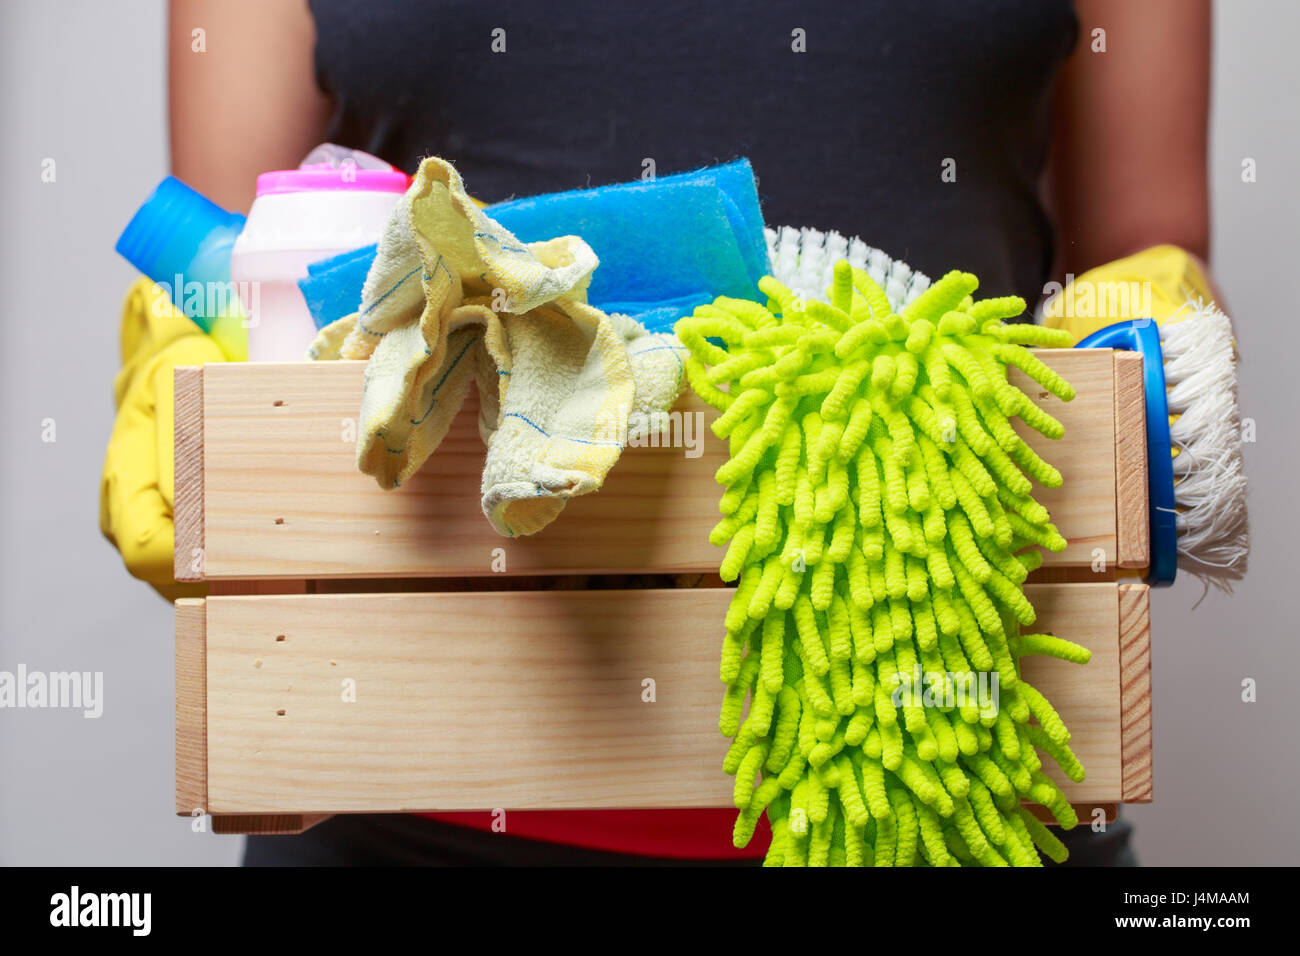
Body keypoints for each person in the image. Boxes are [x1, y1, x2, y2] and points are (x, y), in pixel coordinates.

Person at [170, 0, 1210, 866]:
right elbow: (227, 256)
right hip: (399, 814)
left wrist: (1144, 326)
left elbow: (1140, 230)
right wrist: (181, 371)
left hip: (959, 793)